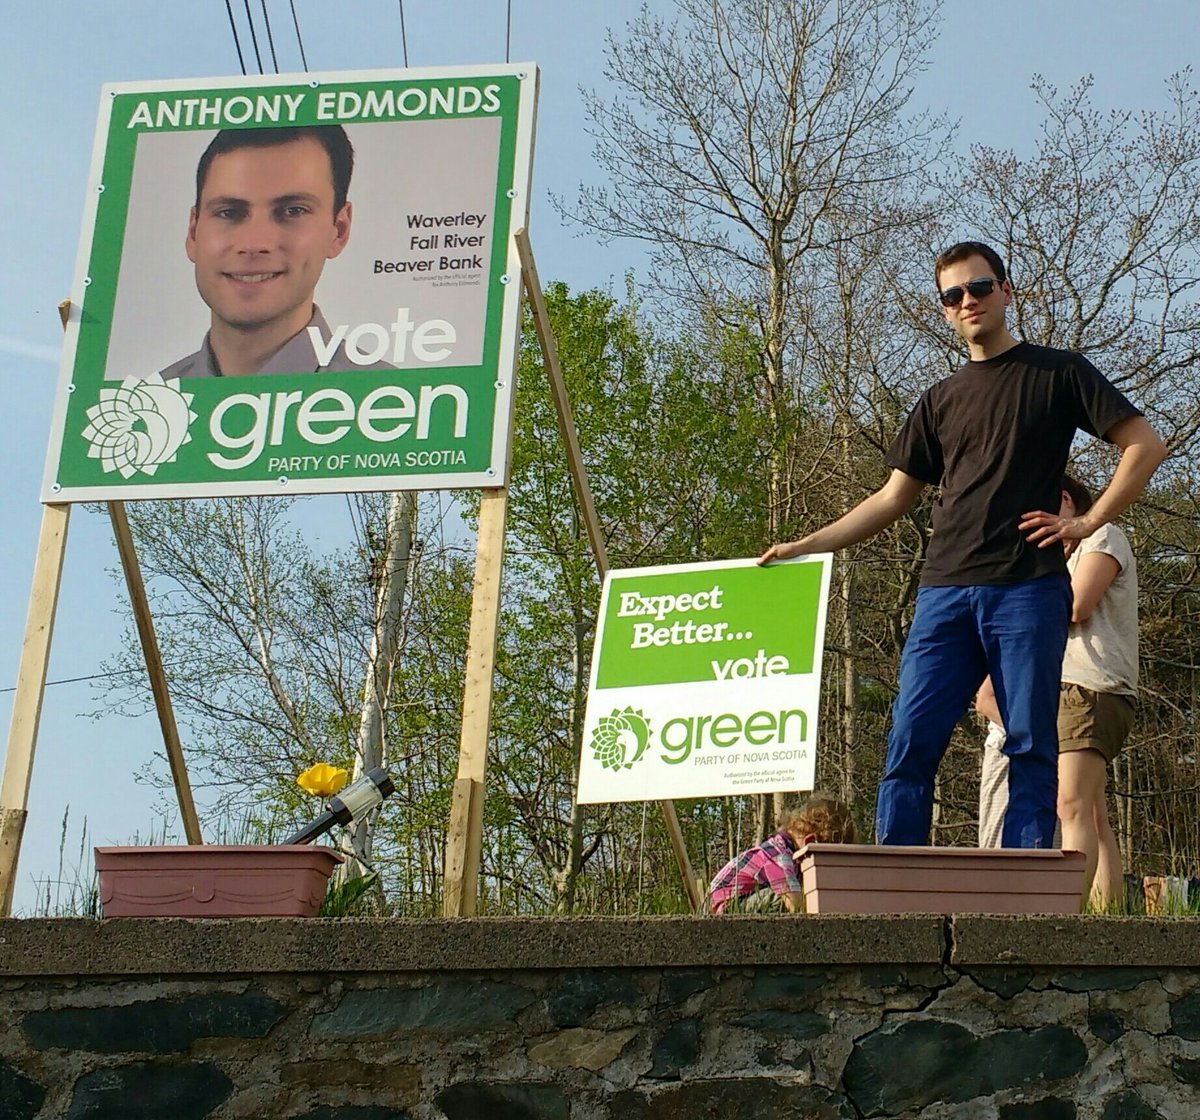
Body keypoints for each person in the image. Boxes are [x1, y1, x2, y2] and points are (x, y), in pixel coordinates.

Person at [759, 241, 1166, 850]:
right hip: (943, 593)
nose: (968, 301)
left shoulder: (1059, 373)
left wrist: (1086, 522)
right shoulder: (939, 400)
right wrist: (807, 544)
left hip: (1028, 588)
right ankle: (896, 884)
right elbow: (891, 498)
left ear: (1006, 291)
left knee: (1029, 743)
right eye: (954, 295)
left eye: (979, 287)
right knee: (910, 739)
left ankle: (1024, 891)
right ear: (945, 309)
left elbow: (1145, 445)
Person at [976, 476, 1136, 908]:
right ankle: (1106, 911)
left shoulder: (1102, 536)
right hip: (1065, 688)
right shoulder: (1058, 561)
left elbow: (1078, 605)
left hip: (1091, 686)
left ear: (1064, 499)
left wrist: (1019, 615)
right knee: (1092, 812)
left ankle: (1068, 913)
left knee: (1071, 805)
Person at [161, 125, 385, 379]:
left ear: (339, 230)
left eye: (293, 211)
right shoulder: (145, 401)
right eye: (229, 213)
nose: (253, 243)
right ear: (193, 232)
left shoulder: (397, 398)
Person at [706, 796, 856, 914]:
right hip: (726, 906)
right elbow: (794, 904)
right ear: (811, 841)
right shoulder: (779, 855)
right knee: (784, 898)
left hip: (743, 899)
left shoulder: (788, 853)